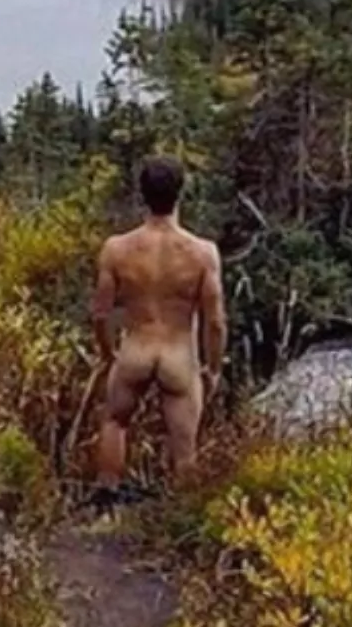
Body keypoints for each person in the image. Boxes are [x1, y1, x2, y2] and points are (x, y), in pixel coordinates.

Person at [90, 155, 226, 499]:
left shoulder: (116, 249)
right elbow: (215, 321)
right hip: (178, 355)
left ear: (142, 194)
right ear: (180, 193)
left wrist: (107, 353)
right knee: (185, 447)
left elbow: (100, 313)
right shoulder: (202, 253)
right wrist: (214, 367)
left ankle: (107, 500)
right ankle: (180, 516)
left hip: (136, 347)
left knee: (115, 421)